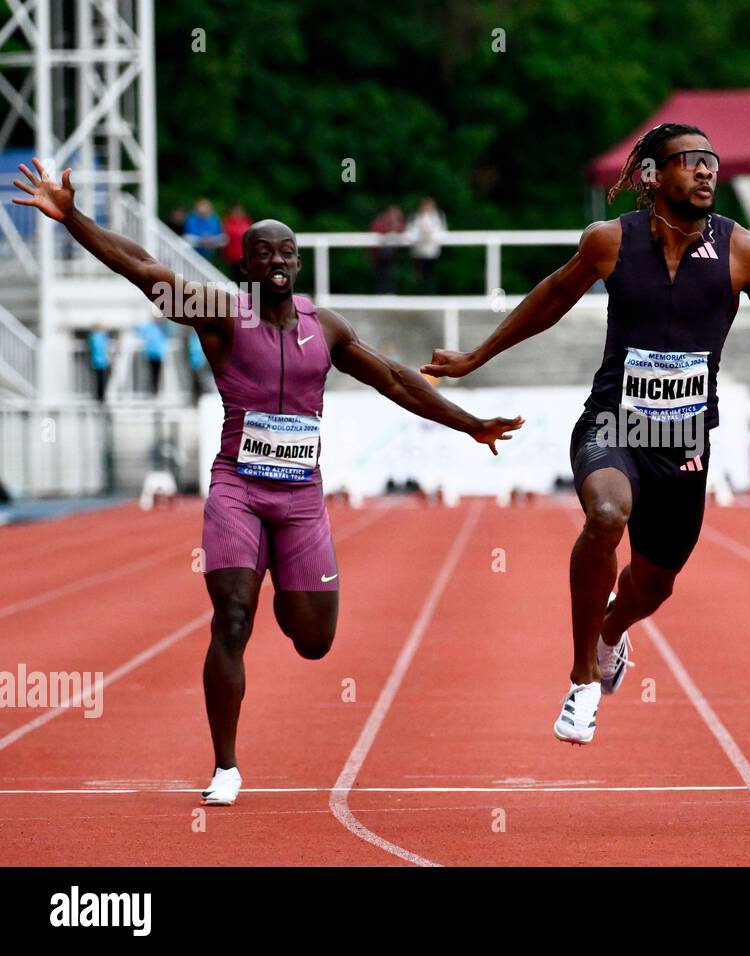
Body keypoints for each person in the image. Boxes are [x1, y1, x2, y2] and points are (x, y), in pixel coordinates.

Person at [12, 158, 523, 805]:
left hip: (302, 501)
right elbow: (145, 270)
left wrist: (472, 423)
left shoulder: (325, 328)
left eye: (288, 252)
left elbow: (394, 379)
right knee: (230, 620)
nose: (277, 261)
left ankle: (287, 583)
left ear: (298, 264)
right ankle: (225, 766)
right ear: (246, 264)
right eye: (264, 253)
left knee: (314, 641)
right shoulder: (220, 315)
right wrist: (73, 218)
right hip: (237, 490)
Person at [422, 123, 750, 745]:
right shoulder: (610, 242)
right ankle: (583, 677)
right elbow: (551, 299)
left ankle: (613, 632)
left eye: (712, 161)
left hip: (685, 442)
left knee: (654, 584)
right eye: (690, 161)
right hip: (613, 420)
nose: (706, 171)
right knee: (607, 516)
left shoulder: (745, 253)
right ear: (653, 175)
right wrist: (476, 357)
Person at [406, 197, 447, 293]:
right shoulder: (415, 217)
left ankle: (429, 296)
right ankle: (420, 296)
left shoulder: (438, 217)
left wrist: (430, 233)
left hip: (432, 251)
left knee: (430, 276)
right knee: (419, 277)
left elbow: (442, 233)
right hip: (418, 251)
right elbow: (410, 233)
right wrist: (421, 232)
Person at [370, 203, 406, 294]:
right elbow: (377, 232)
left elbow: (402, 232)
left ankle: (390, 294)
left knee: (391, 275)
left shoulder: (398, 223)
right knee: (381, 275)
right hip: (380, 254)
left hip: (393, 254)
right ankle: (381, 294)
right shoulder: (381, 221)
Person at [136, 316, 170, 396]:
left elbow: (171, 331)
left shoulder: (164, 328)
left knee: (157, 374)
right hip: (150, 354)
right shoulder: (150, 327)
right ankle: (152, 389)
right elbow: (137, 329)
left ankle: (156, 390)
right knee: (151, 373)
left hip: (159, 355)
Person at [222, 204, 253, 278]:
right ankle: (238, 290)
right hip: (234, 257)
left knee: (250, 278)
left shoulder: (247, 221)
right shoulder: (228, 223)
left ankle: (254, 290)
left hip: (247, 256)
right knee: (237, 278)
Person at [87, 324, 111, 403]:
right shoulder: (99, 337)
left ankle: (100, 396)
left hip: (98, 361)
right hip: (100, 361)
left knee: (99, 380)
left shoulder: (94, 337)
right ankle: (101, 396)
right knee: (100, 380)